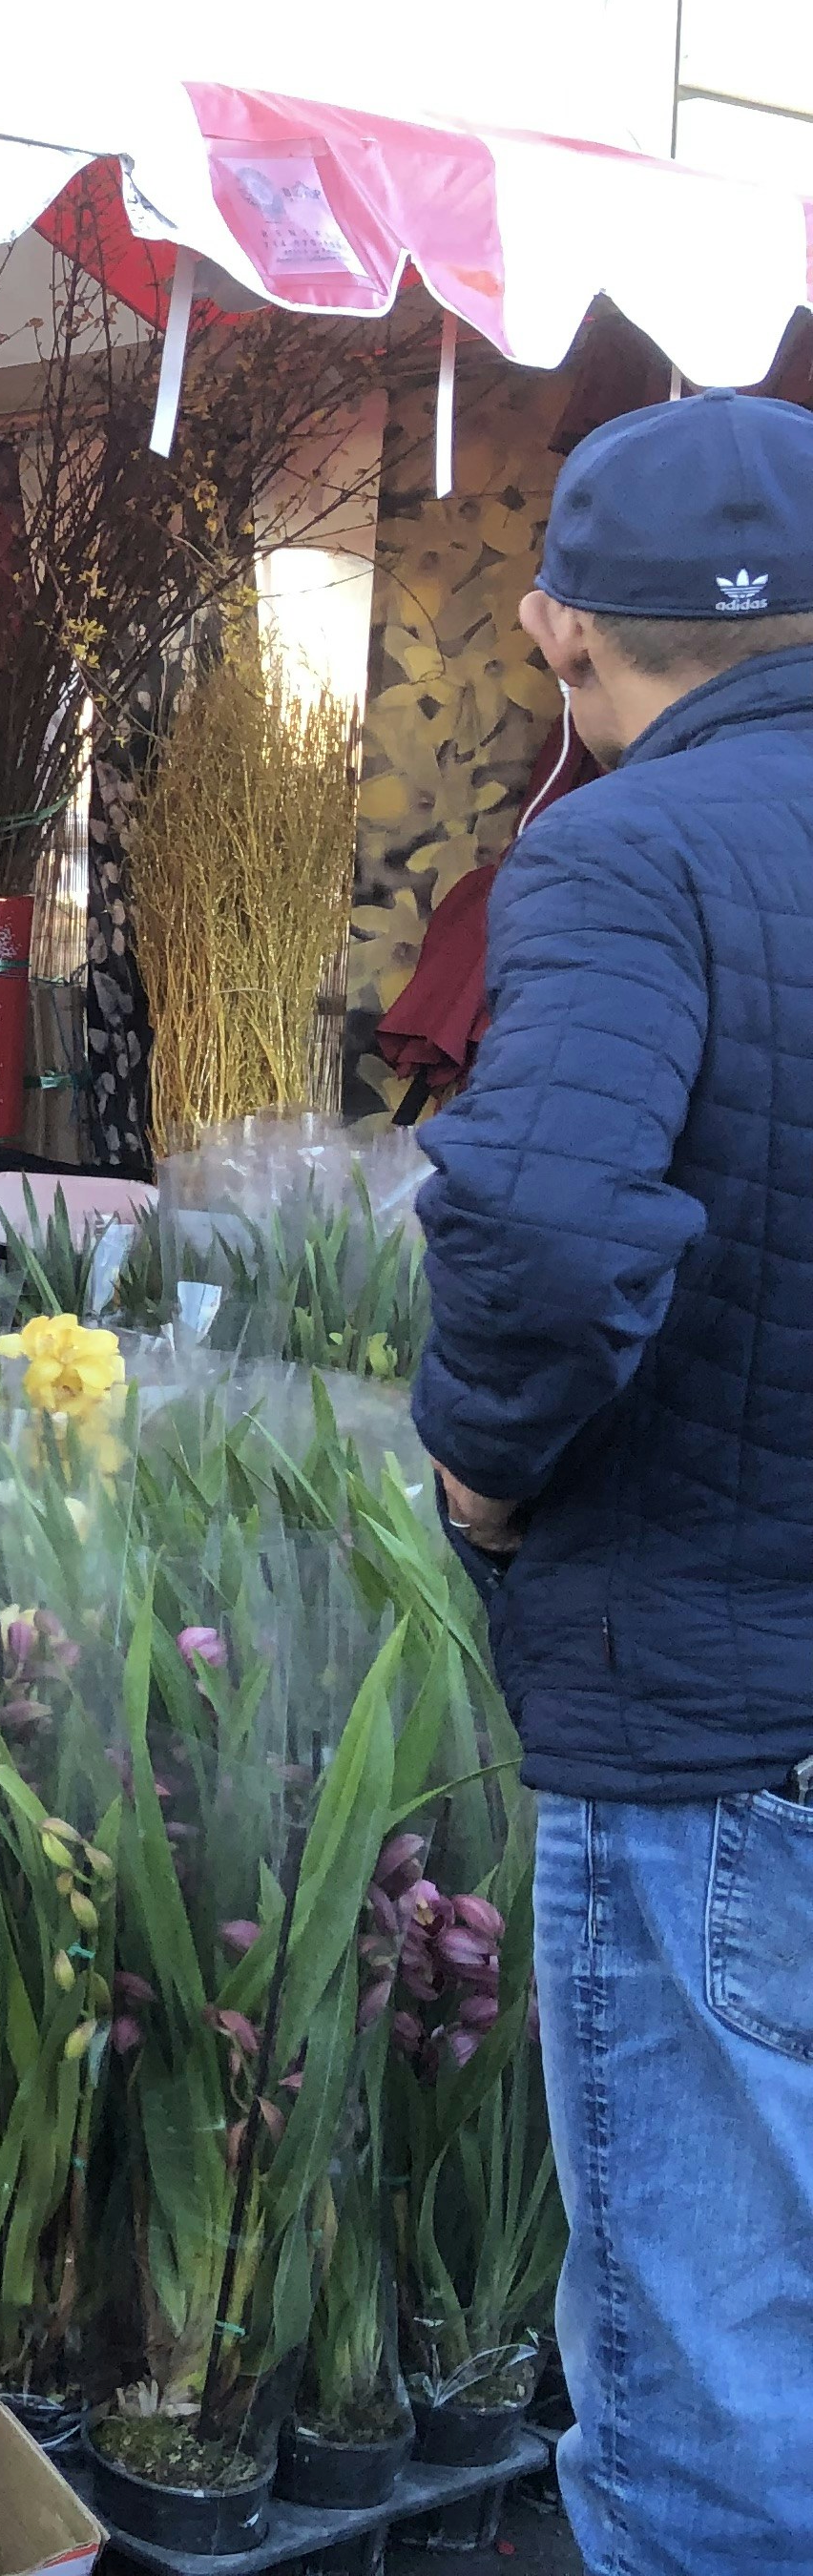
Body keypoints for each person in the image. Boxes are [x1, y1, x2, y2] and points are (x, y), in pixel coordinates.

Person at [410, 388, 813, 2576]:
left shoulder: (627, 850)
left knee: (710, 2392)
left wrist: (479, 1477)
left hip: (728, 1742)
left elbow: (551, 1233)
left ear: (564, 632)